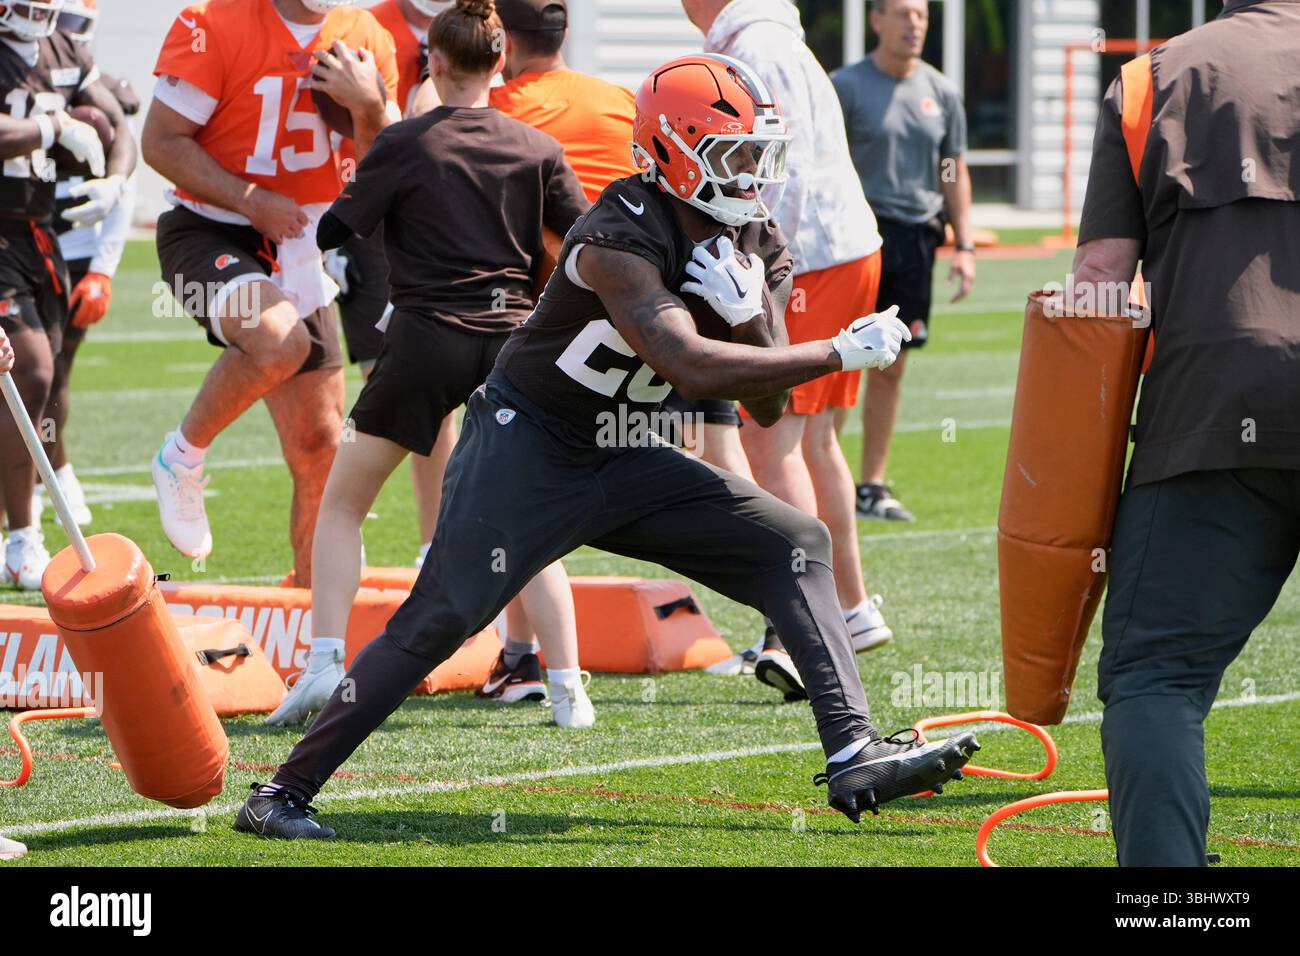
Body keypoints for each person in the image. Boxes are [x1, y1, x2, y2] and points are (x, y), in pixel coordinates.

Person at [234, 51, 980, 840]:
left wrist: (759, 315)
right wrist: (836, 351)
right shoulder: (619, 229)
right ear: (672, 151)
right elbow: (685, 361)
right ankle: (280, 793)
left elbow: (763, 407)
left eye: (758, 155)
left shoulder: (756, 236)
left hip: (622, 449)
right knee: (441, 616)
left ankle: (852, 749)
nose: (751, 174)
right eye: (732, 155)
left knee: (794, 540)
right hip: (530, 444)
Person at [265, 0, 596, 729]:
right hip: (510, 343)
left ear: (434, 64)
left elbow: (334, 228)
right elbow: (586, 237)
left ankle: (323, 663)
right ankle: (570, 689)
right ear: (500, 63)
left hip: (424, 339)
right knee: (530, 519)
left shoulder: (407, 143)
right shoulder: (536, 148)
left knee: (344, 502)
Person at [1070, 0, 1299, 866]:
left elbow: (1098, 282)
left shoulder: (1152, 75)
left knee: (1155, 682)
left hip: (1209, 410)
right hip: (1209, 413)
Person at [142, 0, 399, 583]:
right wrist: (250, 199)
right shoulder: (215, 22)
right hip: (210, 226)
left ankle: (317, 628)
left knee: (323, 448)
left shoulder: (363, 35)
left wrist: (370, 106)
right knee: (279, 341)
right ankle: (180, 457)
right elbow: (160, 142)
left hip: (304, 241)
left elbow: (390, 162)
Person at [682, 0, 893, 701]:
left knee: (773, 440)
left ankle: (802, 629)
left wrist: (753, 271)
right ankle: (852, 608)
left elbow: (769, 174)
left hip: (809, 255)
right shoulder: (771, 38)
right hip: (839, 245)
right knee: (816, 441)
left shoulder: (756, 48)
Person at [0, 0, 135, 589]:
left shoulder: (64, 49)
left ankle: (17, 533)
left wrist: (114, 180)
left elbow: (119, 125)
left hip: (40, 231)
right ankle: (22, 537)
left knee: (44, 380)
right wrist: (52, 127)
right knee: (27, 371)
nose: (34, 14)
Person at [831, 0, 974, 522]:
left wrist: (965, 244)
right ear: (876, 20)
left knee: (891, 363)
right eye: (903, 13)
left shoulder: (942, 91)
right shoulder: (844, 86)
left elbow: (952, 169)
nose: (914, 23)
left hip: (916, 241)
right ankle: (827, 476)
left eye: (922, 15)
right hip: (857, 239)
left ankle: (871, 485)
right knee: (838, 360)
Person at [38, 0, 138, 529]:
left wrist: (103, 267)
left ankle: (51, 475)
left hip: (69, 250)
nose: (61, 36)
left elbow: (127, 174)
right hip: (19, 240)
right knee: (36, 373)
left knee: (49, 374)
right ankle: (45, 479)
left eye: (73, 26)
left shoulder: (95, 95)